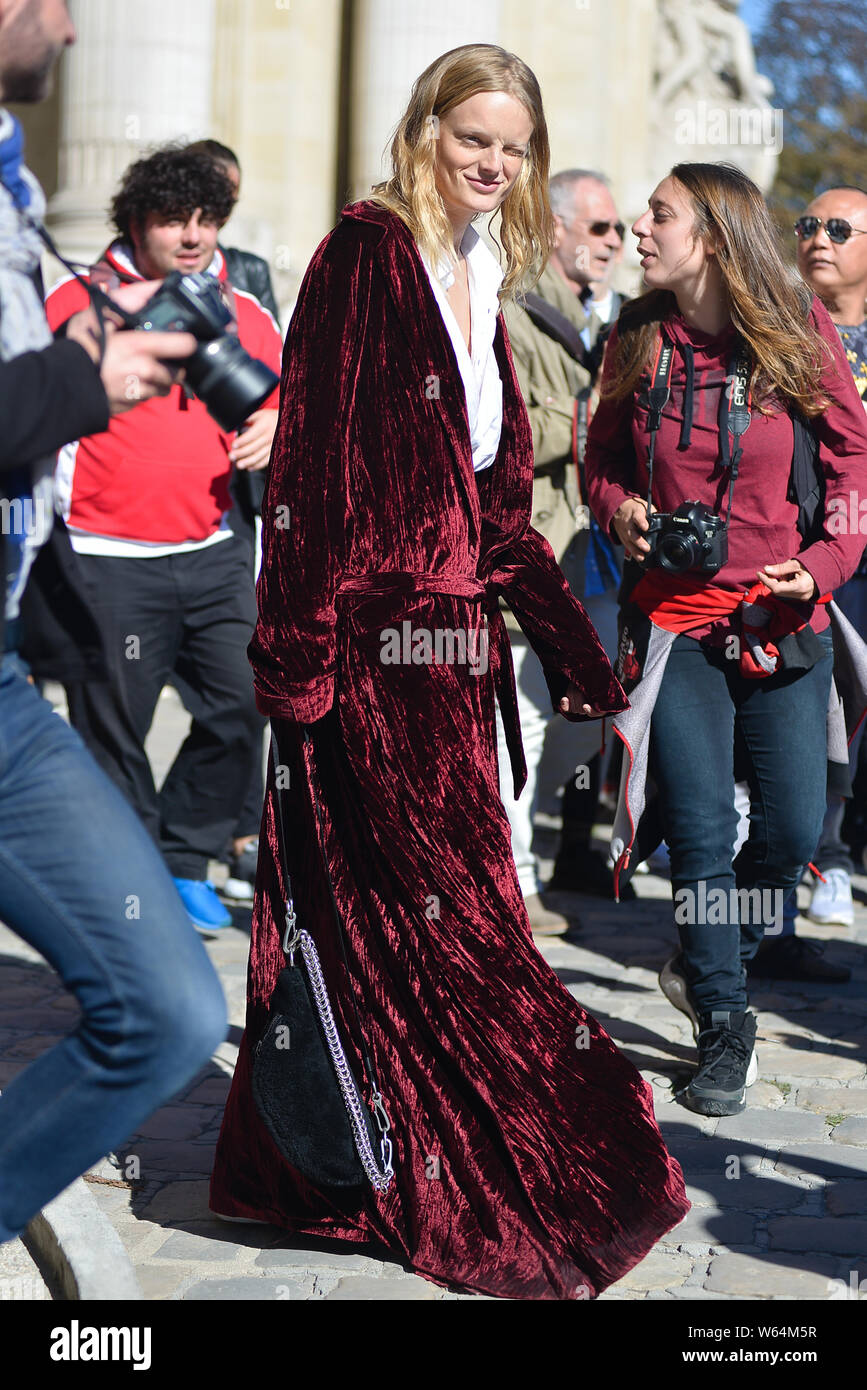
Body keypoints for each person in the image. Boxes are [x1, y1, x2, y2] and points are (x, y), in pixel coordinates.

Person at [209, 43, 689, 1302]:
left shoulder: (486, 269)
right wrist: (299, 660)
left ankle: (397, 1162)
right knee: (432, 933)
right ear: (425, 129)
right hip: (363, 665)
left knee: (451, 926)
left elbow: (497, 511)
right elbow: (308, 472)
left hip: (455, 667)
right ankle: (445, 1174)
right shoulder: (364, 255)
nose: (492, 162)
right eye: (472, 135)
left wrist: (572, 648)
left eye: (512, 144)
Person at [0, 0, 226, 1246]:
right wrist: (85, 379)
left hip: (11, 682)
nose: (75, 30)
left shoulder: (14, 187)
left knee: (174, 1013)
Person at [585, 162, 867, 1117]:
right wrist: (622, 512)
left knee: (787, 834)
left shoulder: (797, 333)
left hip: (783, 624)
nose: (639, 224)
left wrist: (823, 568)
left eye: (658, 213)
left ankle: (708, 956)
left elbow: (851, 467)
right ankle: (723, 1021)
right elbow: (602, 462)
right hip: (676, 625)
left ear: (710, 234)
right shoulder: (636, 338)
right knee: (701, 830)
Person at [44, 145, 282, 935]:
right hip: (102, 556)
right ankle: (131, 885)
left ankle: (183, 854)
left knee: (242, 702)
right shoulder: (68, 298)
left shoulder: (243, 308)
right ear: (136, 221)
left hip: (213, 550)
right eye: (175, 219)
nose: (193, 234)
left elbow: (291, 400)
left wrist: (278, 423)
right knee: (112, 736)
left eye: (208, 219)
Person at [499, 169, 628, 926]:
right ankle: (511, 877)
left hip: (598, 553)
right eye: (600, 228)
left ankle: (557, 847)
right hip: (534, 542)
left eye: (617, 230)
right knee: (525, 714)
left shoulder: (605, 318)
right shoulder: (508, 312)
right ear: (553, 229)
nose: (614, 243)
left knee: (590, 712)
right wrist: (585, 421)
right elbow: (499, 424)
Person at [184, 137, 282, 904]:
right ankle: (180, 848)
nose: (201, 225)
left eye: (220, 206)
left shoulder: (246, 276)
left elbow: (284, 379)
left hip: (236, 509)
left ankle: (236, 833)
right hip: (137, 531)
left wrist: (277, 420)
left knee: (240, 686)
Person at [791, 187, 867, 934]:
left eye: (839, 228)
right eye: (808, 224)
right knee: (808, 703)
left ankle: (839, 851)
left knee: (857, 710)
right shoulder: (774, 331)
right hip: (802, 548)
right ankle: (814, 855)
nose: (818, 237)